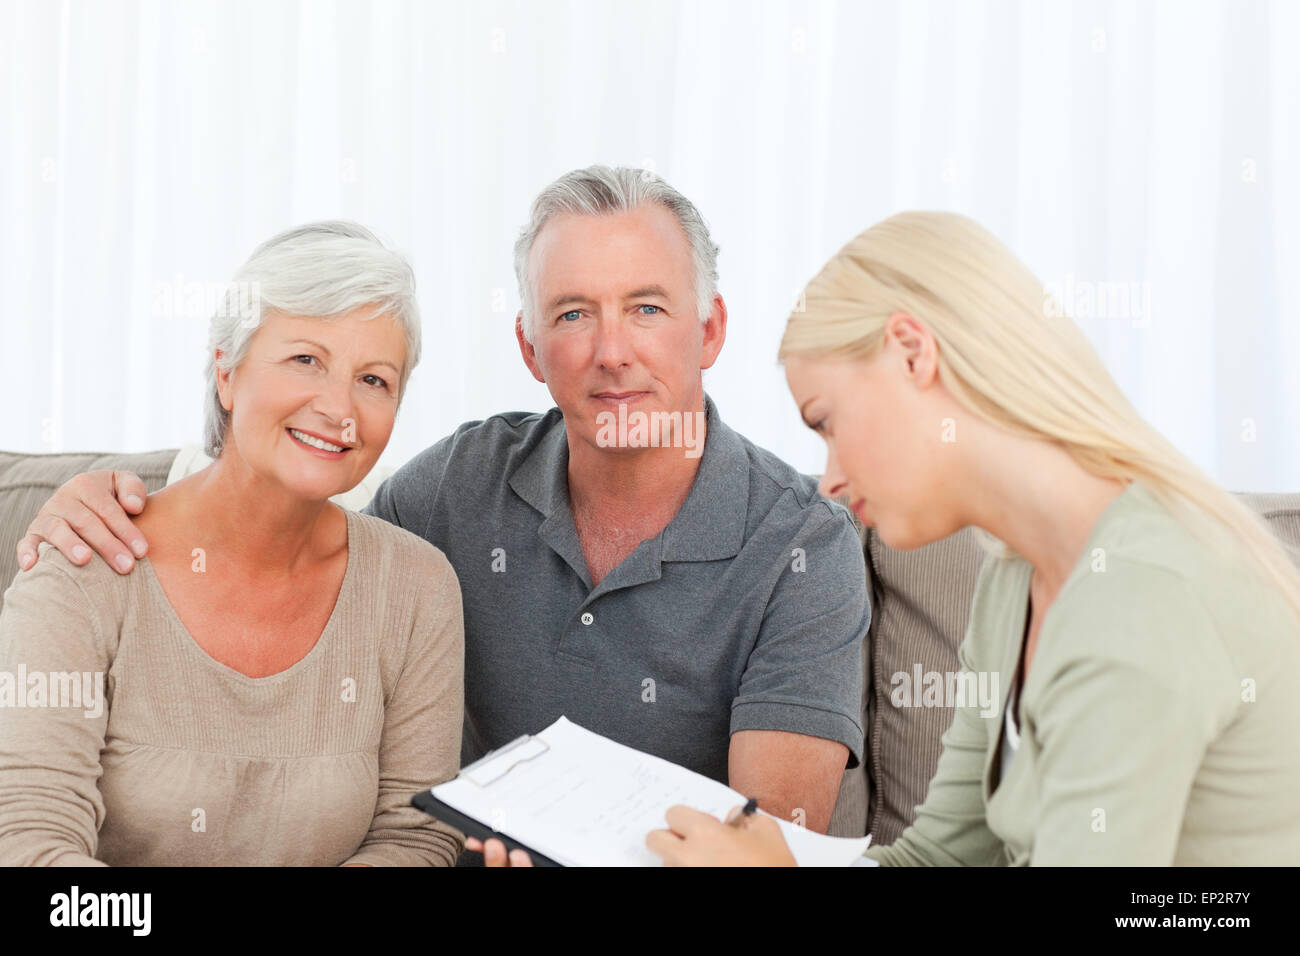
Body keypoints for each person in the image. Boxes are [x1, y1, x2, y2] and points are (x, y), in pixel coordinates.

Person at [14, 167, 871, 857]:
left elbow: (769, 850)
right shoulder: (456, 493)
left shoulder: (802, 547)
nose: (613, 352)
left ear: (711, 330)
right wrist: (101, 494)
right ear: (530, 348)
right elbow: (287, 498)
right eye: (574, 314)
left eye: (648, 308)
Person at [645, 210, 1300, 866]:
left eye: (828, 423)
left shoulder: (1140, 598)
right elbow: (941, 857)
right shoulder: (1017, 581)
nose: (830, 482)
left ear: (912, 352)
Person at [0, 222, 466, 865]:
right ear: (227, 372)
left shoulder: (417, 587)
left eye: (374, 380)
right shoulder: (85, 563)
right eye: (307, 359)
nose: (340, 407)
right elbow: (27, 838)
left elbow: (416, 837)